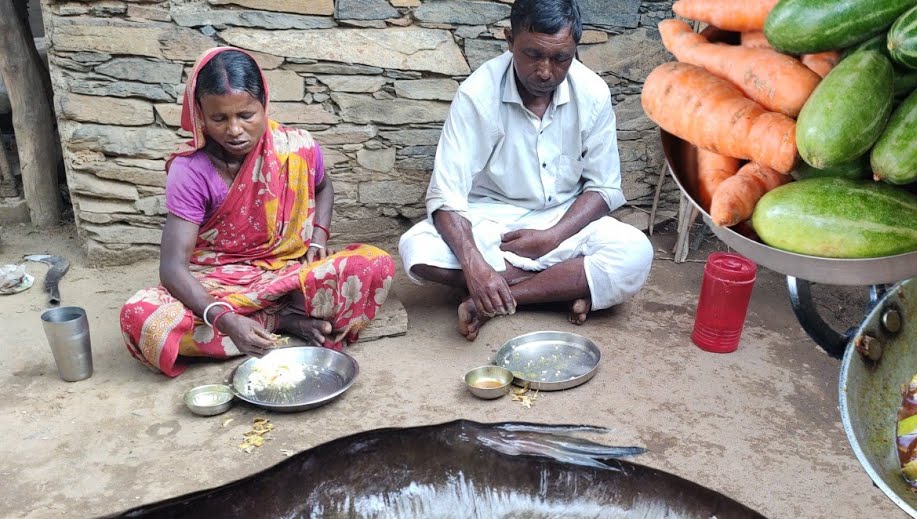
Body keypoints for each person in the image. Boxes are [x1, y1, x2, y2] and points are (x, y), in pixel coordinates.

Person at [120, 47, 396, 377]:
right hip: (220, 284)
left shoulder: (297, 147)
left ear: (264, 104)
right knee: (142, 317)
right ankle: (280, 322)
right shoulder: (190, 171)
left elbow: (324, 187)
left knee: (374, 265)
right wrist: (223, 316)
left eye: (246, 115)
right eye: (219, 118)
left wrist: (318, 238)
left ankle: (263, 321)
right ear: (200, 116)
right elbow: (172, 268)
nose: (234, 129)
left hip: (287, 274)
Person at [398, 0, 654, 341]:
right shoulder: (477, 94)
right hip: (493, 222)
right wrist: (475, 264)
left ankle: (496, 298)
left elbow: (604, 188)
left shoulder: (592, 92)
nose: (546, 71)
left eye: (561, 58)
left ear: (575, 48)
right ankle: (560, 288)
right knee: (416, 248)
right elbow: (446, 195)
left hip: (564, 220)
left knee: (635, 252)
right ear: (509, 40)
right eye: (533, 54)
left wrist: (553, 236)